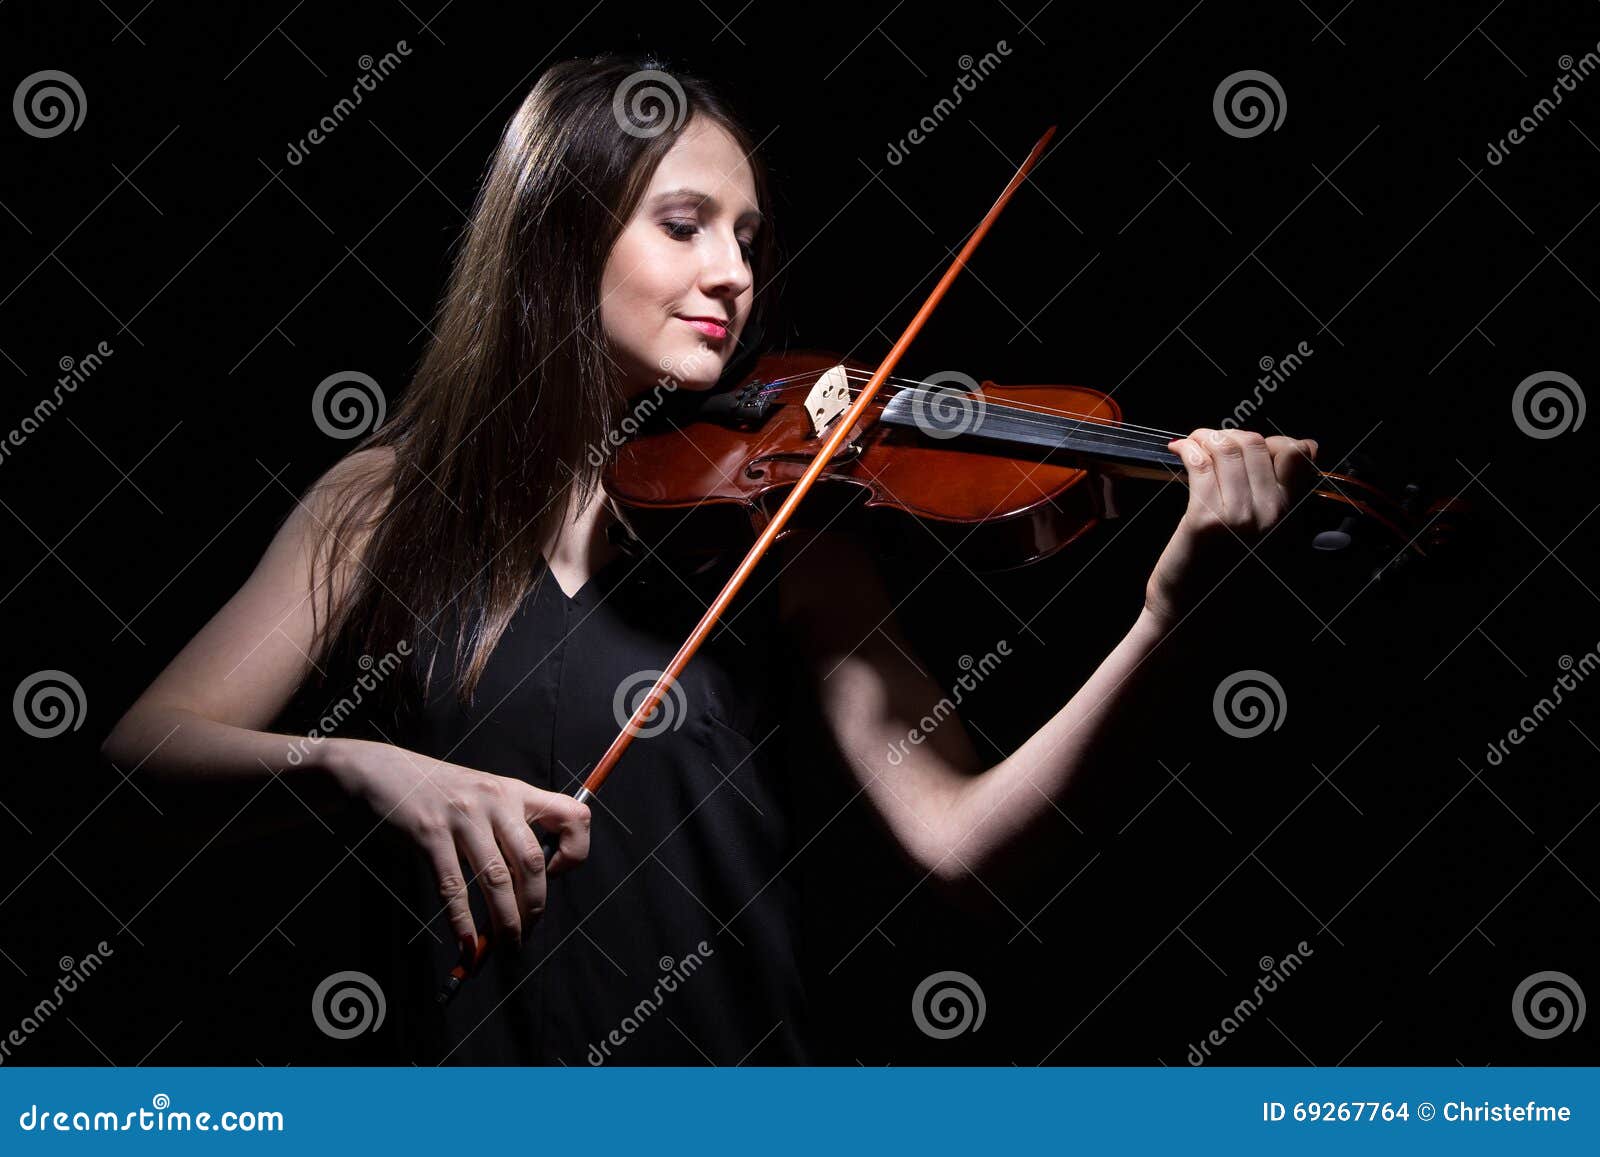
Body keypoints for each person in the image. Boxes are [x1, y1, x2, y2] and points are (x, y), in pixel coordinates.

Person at [99, 52, 1320, 1065]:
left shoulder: (784, 530)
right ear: (560, 236)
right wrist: (363, 767)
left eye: (746, 236)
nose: (734, 273)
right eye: (683, 226)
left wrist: (1164, 624)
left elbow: (962, 845)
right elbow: (143, 755)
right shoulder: (383, 504)